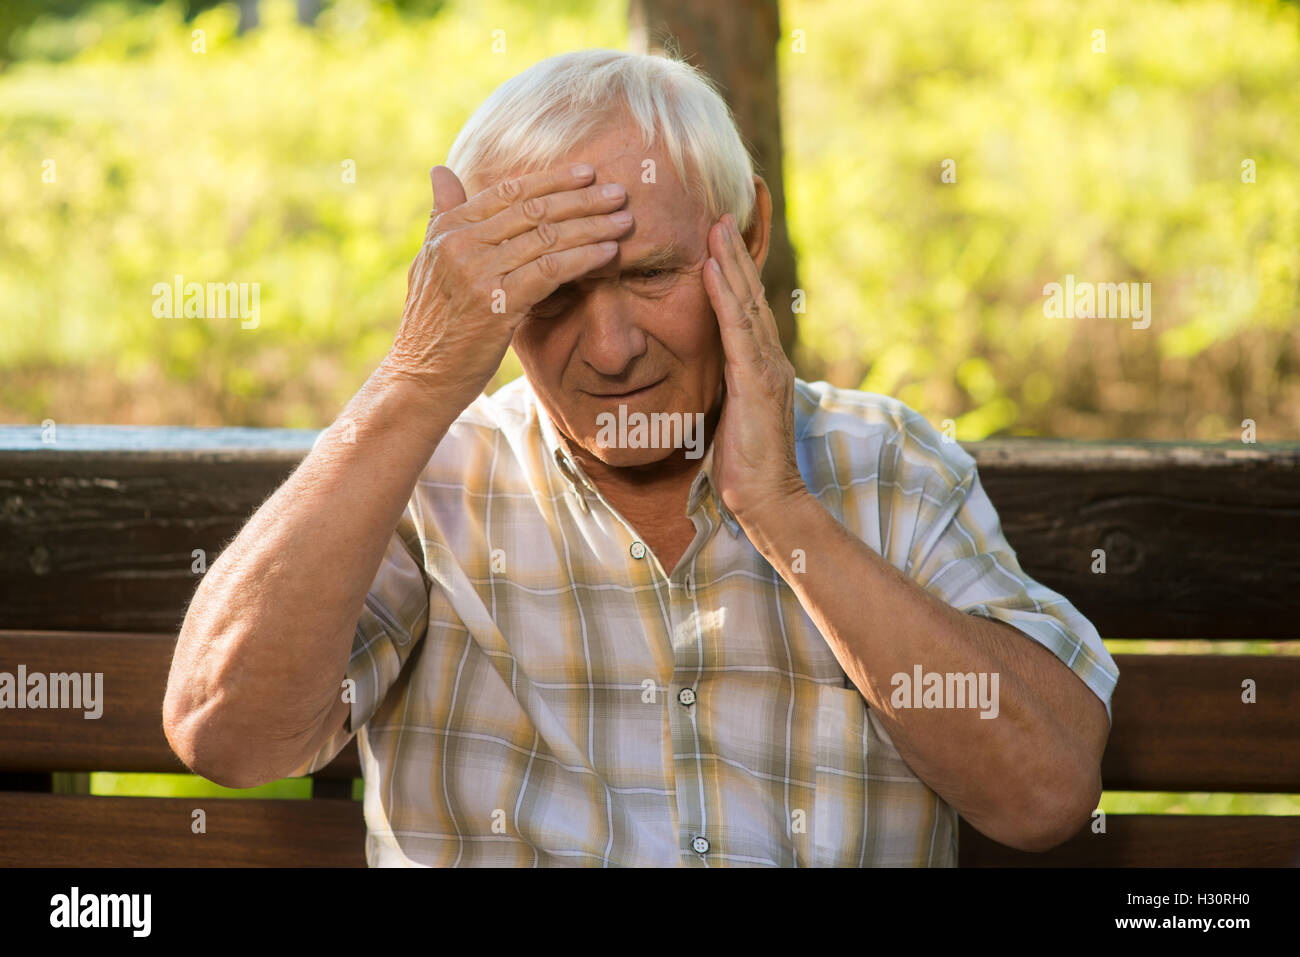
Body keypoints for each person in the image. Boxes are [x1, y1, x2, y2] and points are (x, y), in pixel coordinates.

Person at [163, 48, 1118, 867]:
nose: (611, 347)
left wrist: (783, 507)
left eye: (652, 274)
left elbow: (1046, 794)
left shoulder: (885, 461)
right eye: (547, 292)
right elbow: (227, 733)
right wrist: (415, 381)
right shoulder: (428, 480)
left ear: (747, 237)